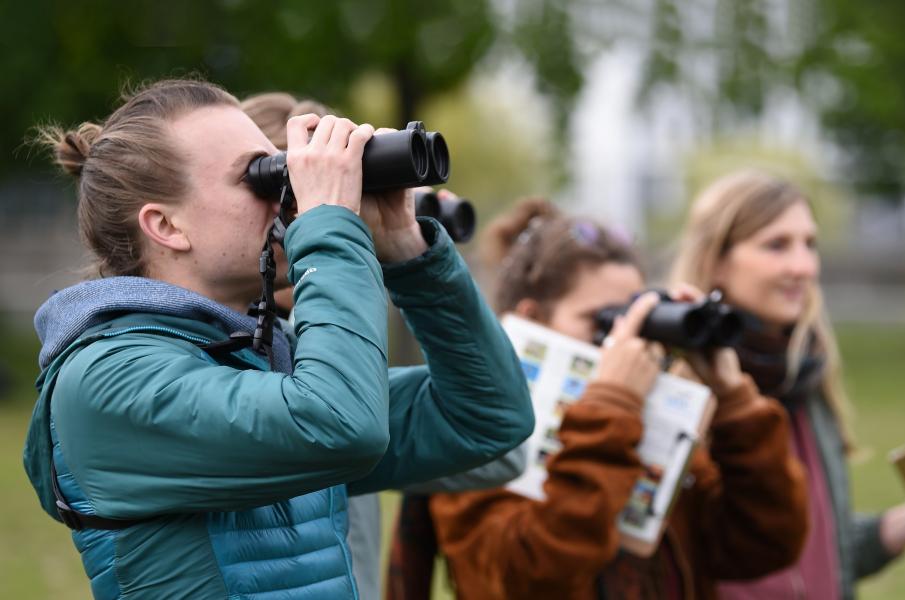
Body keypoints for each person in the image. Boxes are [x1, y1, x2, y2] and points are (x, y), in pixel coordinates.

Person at [23, 78, 533, 599]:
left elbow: (486, 417)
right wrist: (330, 225)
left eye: (284, 168)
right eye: (262, 177)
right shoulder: (107, 379)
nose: (289, 196)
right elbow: (339, 424)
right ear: (167, 226)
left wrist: (408, 250)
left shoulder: (264, 358)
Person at [390, 199, 809, 599]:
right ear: (533, 318)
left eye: (636, 319)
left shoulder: (644, 421)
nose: (623, 340)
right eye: (603, 321)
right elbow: (526, 581)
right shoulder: (479, 443)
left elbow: (764, 544)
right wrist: (609, 411)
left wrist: (734, 400)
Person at [240, 90, 530, 600]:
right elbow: (328, 415)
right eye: (306, 184)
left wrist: (404, 247)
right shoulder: (208, 365)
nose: (333, 199)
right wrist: (328, 253)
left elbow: (497, 440)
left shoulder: (312, 348)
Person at [671, 170, 905, 599]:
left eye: (810, 244)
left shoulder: (806, 377)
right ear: (715, 260)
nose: (803, 266)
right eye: (777, 245)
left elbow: (819, 552)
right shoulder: (679, 395)